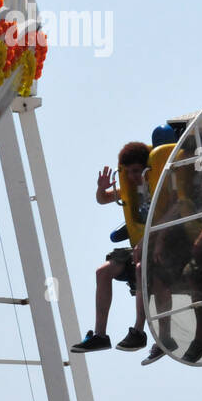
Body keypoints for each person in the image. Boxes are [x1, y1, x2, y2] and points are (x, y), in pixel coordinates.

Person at [71, 140, 154, 353]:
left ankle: (138, 331)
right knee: (103, 272)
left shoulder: (156, 185)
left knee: (139, 269)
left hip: (158, 242)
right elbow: (103, 199)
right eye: (128, 172)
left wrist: (144, 243)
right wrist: (101, 189)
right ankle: (100, 335)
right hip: (139, 247)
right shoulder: (129, 187)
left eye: (136, 171)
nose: (133, 177)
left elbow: (163, 217)